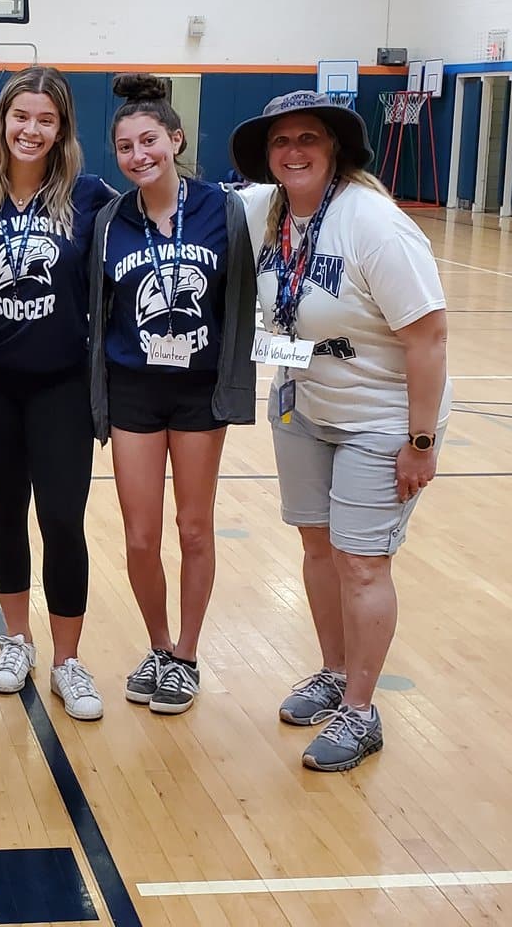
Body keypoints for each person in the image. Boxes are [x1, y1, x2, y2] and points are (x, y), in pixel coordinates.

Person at [232, 89, 450, 772]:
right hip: (304, 404)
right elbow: (178, 199)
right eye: (281, 142)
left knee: (362, 562)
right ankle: (332, 672)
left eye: (309, 140)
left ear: (335, 152)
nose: (293, 152)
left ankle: (361, 710)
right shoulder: (263, 210)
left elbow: (430, 337)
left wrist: (420, 441)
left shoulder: (372, 224)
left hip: (382, 418)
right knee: (318, 548)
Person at [0, 66, 117, 721]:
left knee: (63, 519)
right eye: (22, 117)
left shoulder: (93, 198)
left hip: (63, 387)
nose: (32, 130)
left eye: (46, 119)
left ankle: (69, 660)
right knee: (6, 512)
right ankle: (17, 642)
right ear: (3, 122)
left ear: (61, 128)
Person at [88, 74, 256, 717]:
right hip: (132, 389)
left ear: (176, 139)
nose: (139, 155)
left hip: (197, 392)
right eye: (126, 146)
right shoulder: (111, 220)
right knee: (138, 535)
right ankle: (158, 646)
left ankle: (186, 653)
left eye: (150, 140)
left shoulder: (225, 210)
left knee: (192, 527)